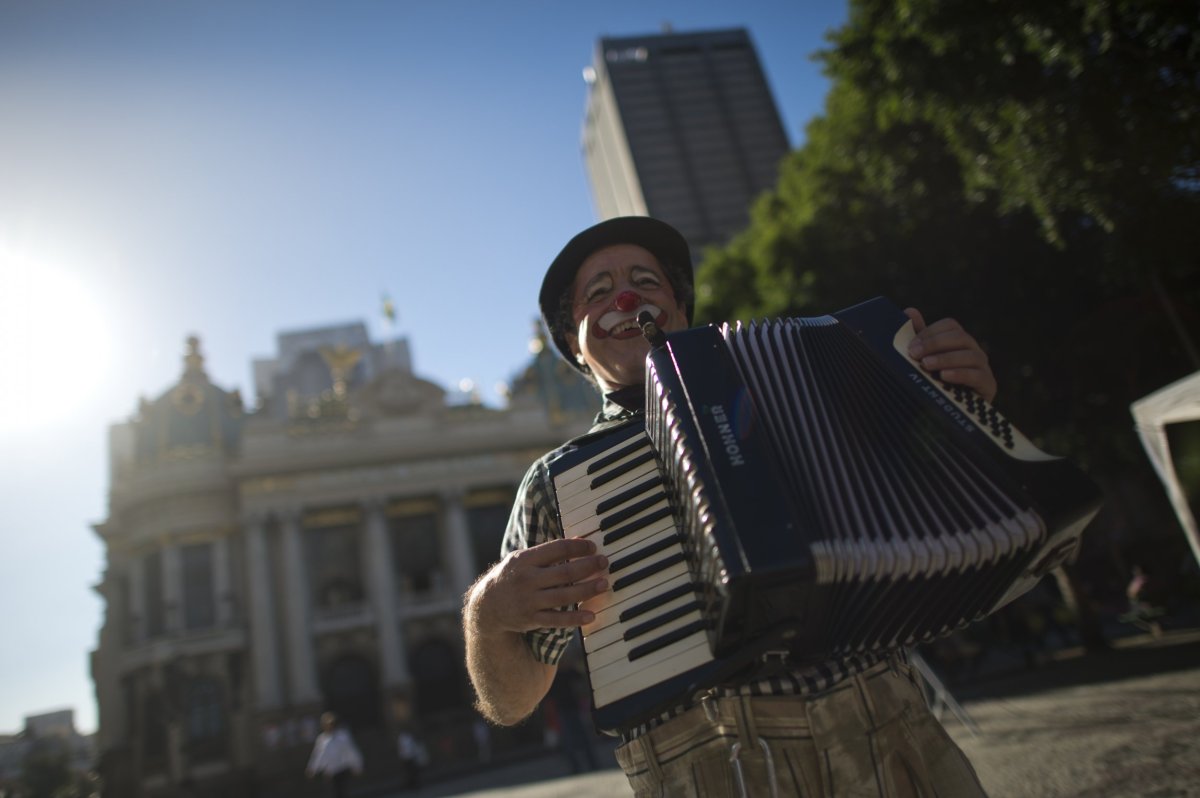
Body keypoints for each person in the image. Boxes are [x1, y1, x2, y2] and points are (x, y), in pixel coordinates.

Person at [463, 216, 996, 796]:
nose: (626, 298)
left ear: (679, 311)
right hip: (713, 771)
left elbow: (950, 508)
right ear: (574, 343)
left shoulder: (802, 388)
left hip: (892, 734)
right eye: (599, 292)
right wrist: (486, 616)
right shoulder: (555, 486)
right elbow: (514, 701)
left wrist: (966, 408)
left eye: (646, 281)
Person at [305, 712, 363, 798]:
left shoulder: (342, 736)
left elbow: (350, 751)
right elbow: (318, 755)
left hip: (342, 769)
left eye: (331, 724)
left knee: (342, 792)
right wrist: (312, 769)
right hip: (330, 772)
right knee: (333, 793)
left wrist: (357, 765)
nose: (329, 726)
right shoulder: (322, 740)